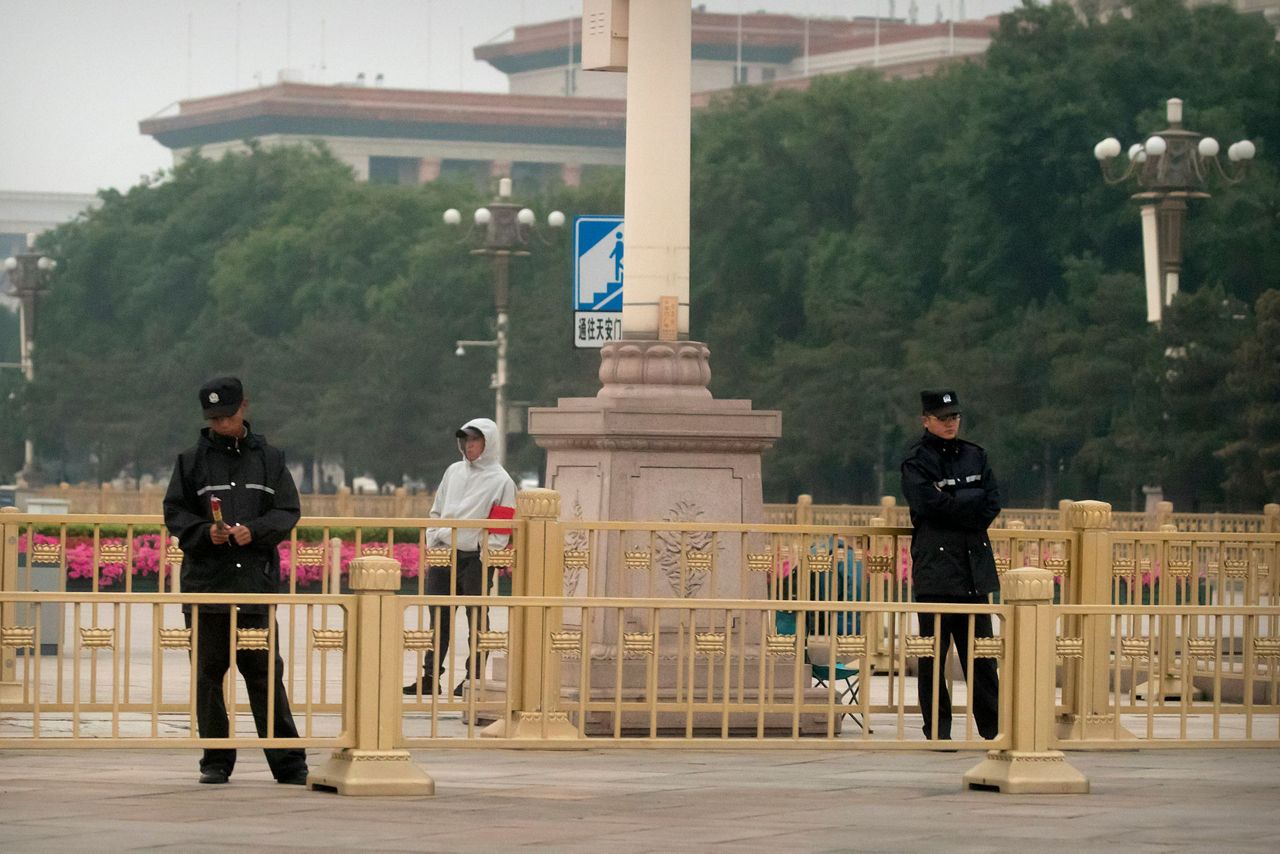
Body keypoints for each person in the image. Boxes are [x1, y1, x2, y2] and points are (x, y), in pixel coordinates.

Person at [163, 376, 309, 786]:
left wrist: (255, 531)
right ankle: (215, 759)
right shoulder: (189, 461)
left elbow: (287, 510)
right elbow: (174, 513)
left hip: (253, 589)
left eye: (226, 416)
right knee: (208, 677)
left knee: (264, 675)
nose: (219, 425)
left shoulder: (271, 459)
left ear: (244, 408)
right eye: (212, 419)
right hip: (206, 587)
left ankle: (288, 762)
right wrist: (203, 533)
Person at [900, 389, 1002, 742]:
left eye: (954, 417)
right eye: (943, 418)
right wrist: (966, 508)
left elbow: (992, 502)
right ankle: (939, 731)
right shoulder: (917, 459)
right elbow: (928, 505)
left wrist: (957, 505)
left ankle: (993, 729)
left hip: (972, 568)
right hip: (937, 572)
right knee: (933, 658)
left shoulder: (975, 455)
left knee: (982, 657)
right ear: (926, 419)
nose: (950, 423)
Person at [404, 418, 516, 697]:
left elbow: (502, 526)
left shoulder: (502, 480)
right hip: (444, 553)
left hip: (474, 557)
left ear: (487, 444)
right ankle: (430, 676)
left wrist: (486, 553)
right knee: (437, 618)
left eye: (475, 440)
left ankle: (473, 679)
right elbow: (437, 509)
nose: (469, 446)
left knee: (477, 619)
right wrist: (434, 540)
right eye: (466, 440)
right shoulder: (453, 471)